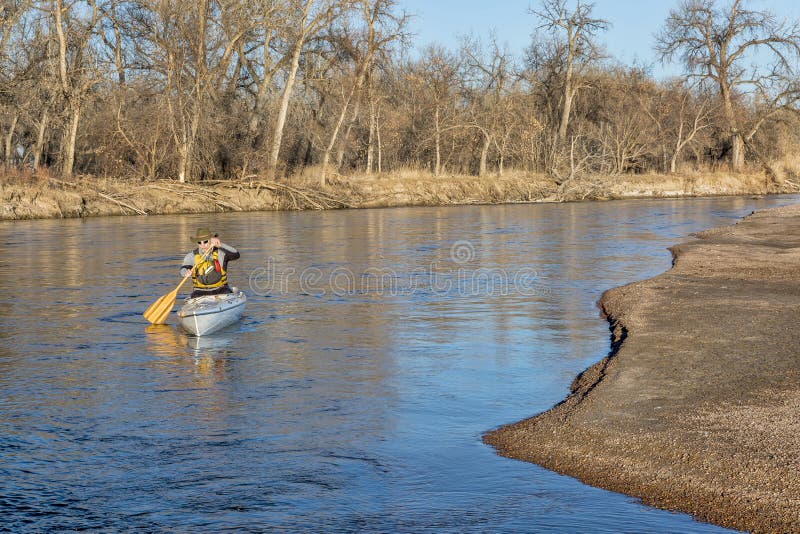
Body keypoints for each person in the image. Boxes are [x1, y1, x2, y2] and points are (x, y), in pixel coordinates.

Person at [181, 228, 240, 298]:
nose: (202, 245)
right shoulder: (191, 256)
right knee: (195, 296)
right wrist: (185, 272)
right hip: (199, 291)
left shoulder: (221, 253)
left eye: (205, 241)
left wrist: (220, 245)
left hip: (221, 289)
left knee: (225, 292)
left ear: (211, 241)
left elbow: (236, 255)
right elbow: (183, 268)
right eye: (199, 242)